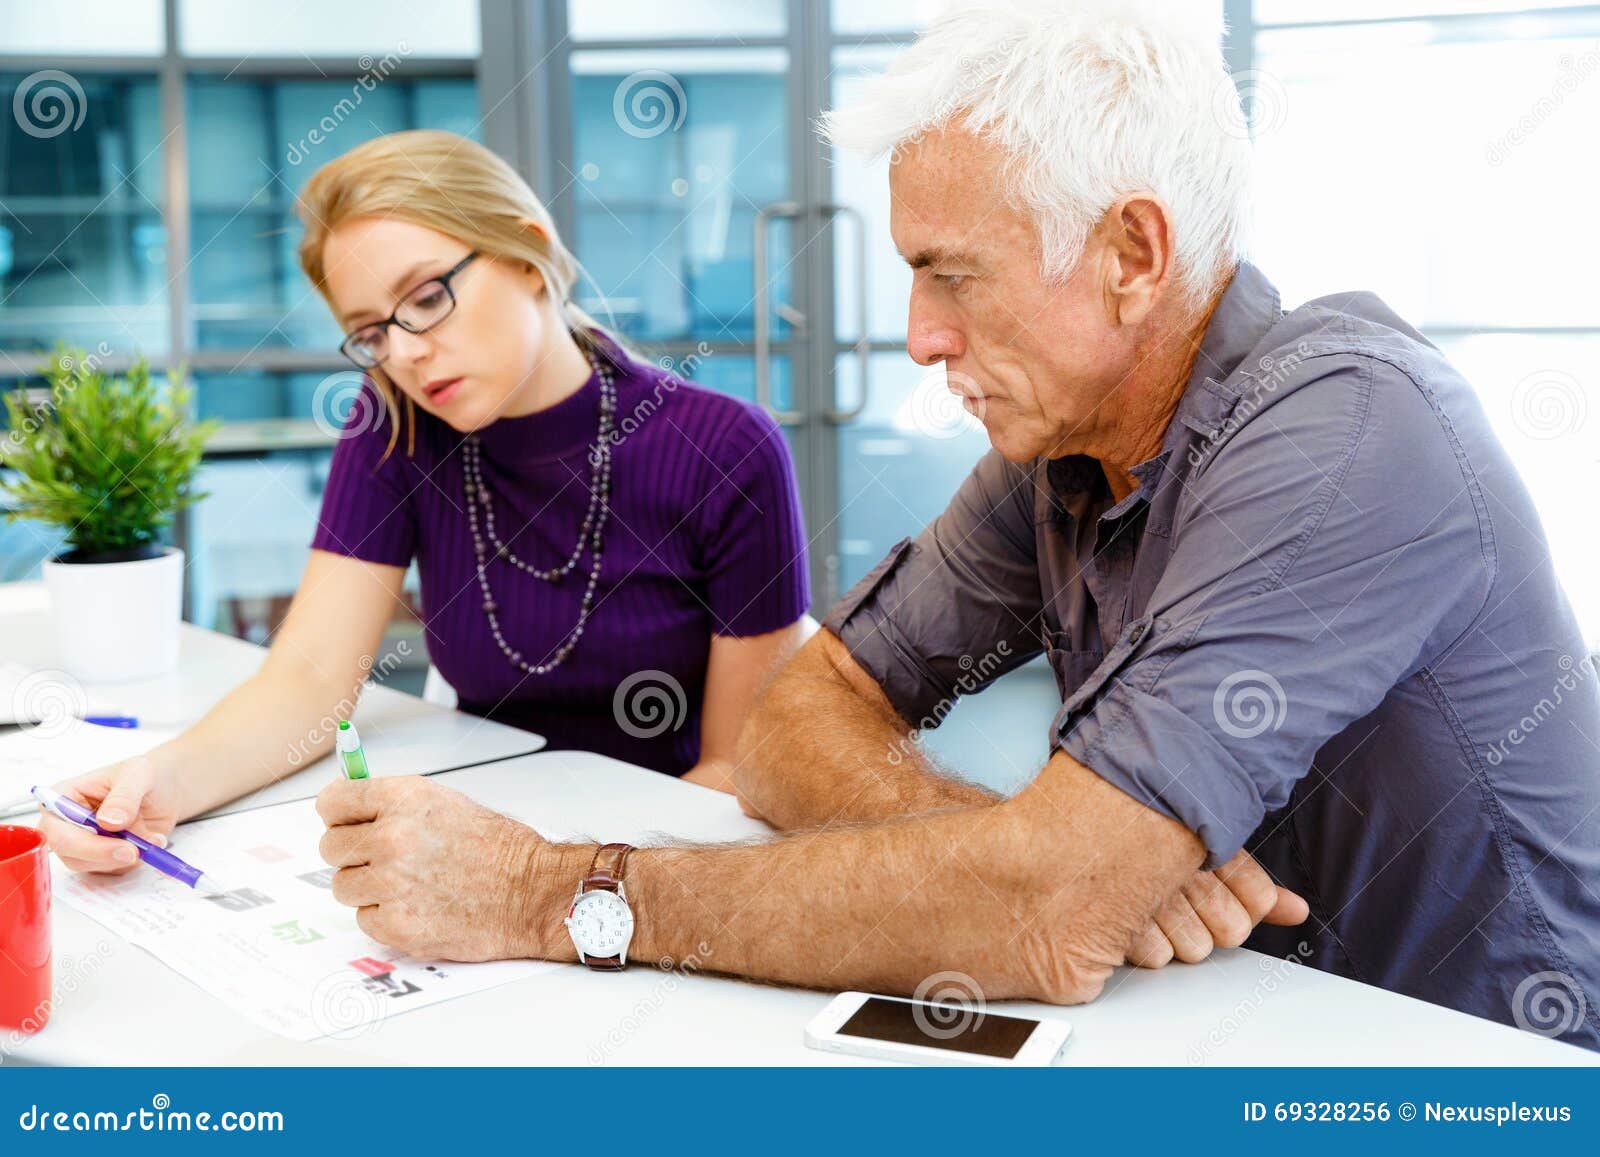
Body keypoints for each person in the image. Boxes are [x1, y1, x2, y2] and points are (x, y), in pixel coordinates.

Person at [310, 0, 1600, 1051]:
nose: (923, 335)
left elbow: (1043, 912)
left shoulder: (1348, 432)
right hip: (1232, 1028)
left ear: (1131, 254)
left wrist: (554, 894)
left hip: (1474, 1063)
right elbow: (793, 722)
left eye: (951, 272)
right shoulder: (1067, 438)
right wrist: (1013, 854)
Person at [40, 129, 811, 878]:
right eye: (371, 332)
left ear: (528, 253)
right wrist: (158, 782)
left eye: (427, 297)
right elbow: (308, 683)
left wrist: (552, 886)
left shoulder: (725, 448)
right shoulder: (394, 426)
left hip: (660, 865)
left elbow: (735, 776)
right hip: (471, 845)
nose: (404, 352)